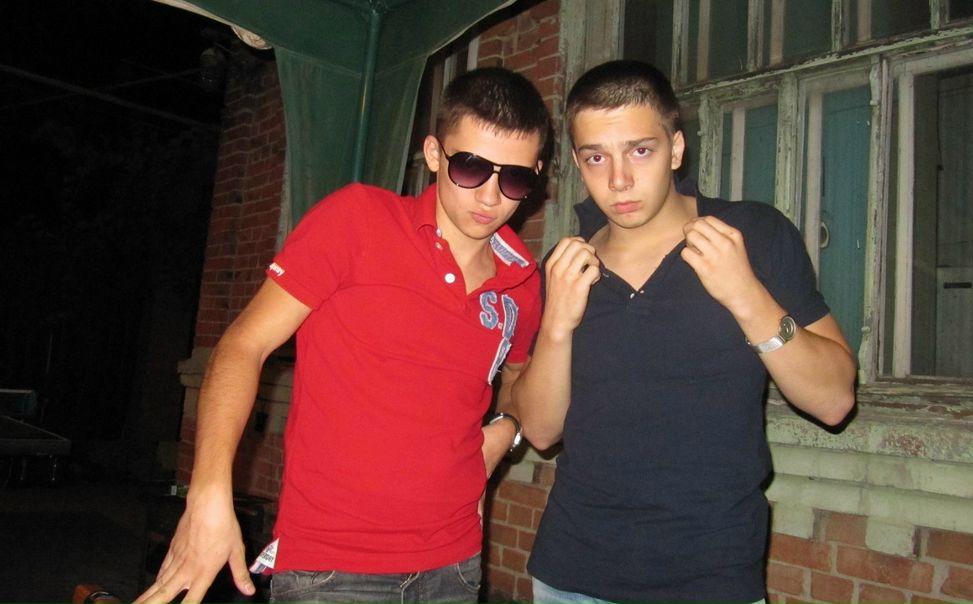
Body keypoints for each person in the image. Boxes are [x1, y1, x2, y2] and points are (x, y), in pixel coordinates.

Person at [133, 67, 551, 604]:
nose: (490, 197)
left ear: (536, 174)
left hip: (456, 564)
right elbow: (242, 346)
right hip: (333, 569)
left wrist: (507, 428)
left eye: (513, 178)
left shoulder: (521, 281)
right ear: (433, 153)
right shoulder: (357, 220)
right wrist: (209, 492)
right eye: (470, 167)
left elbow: (518, 381)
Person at [512, 60, 857, 604]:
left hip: (711, 576)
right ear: (578, 163)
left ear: (675, 149)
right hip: (572, 576)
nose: (618, 180)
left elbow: (834, 400)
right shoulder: (564, 264)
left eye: (639, 151)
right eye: (596, 157)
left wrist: (745, 294)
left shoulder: (752, 234)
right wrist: (557, 325)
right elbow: (540, 430)